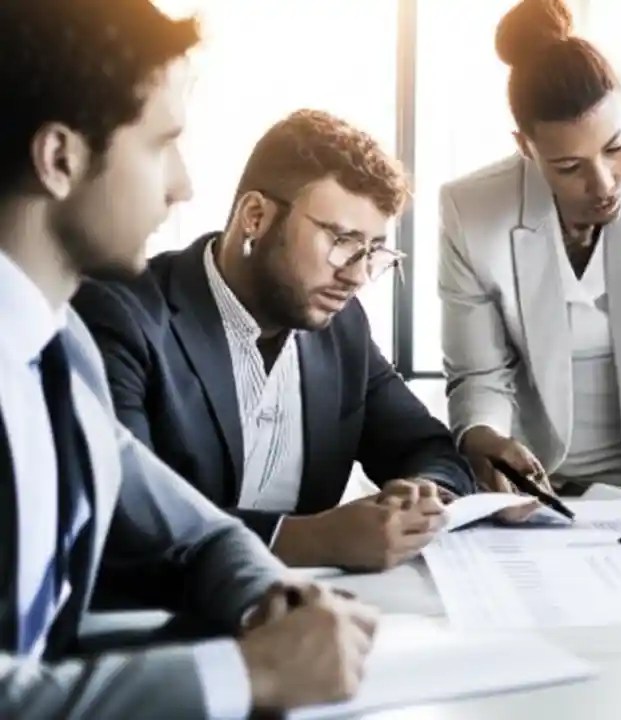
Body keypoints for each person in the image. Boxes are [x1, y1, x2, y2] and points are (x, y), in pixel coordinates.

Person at [0, 1, 378, 716]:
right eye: (161, 143)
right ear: (59, 158)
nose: (184, 186)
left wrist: (278, 599)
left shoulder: (61, 353)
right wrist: (246, 674)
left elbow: (196, 533)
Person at [73, 109, 472, 577]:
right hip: (157, 621)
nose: (358, 275)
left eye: (372, 251)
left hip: (309, 612)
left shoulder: (343, 327)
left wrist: (420, 492)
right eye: (343, 241)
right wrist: (311, 539)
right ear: (256, 217)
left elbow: (430, 448)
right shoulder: (122, 314)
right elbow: (121, 516)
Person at [440, 0, 621, 501]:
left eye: (615, 148)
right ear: (526, 147)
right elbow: (480, 373)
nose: (605, 183)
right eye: (569, 167)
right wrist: (488, 441)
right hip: (533, 481)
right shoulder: (471, 210)